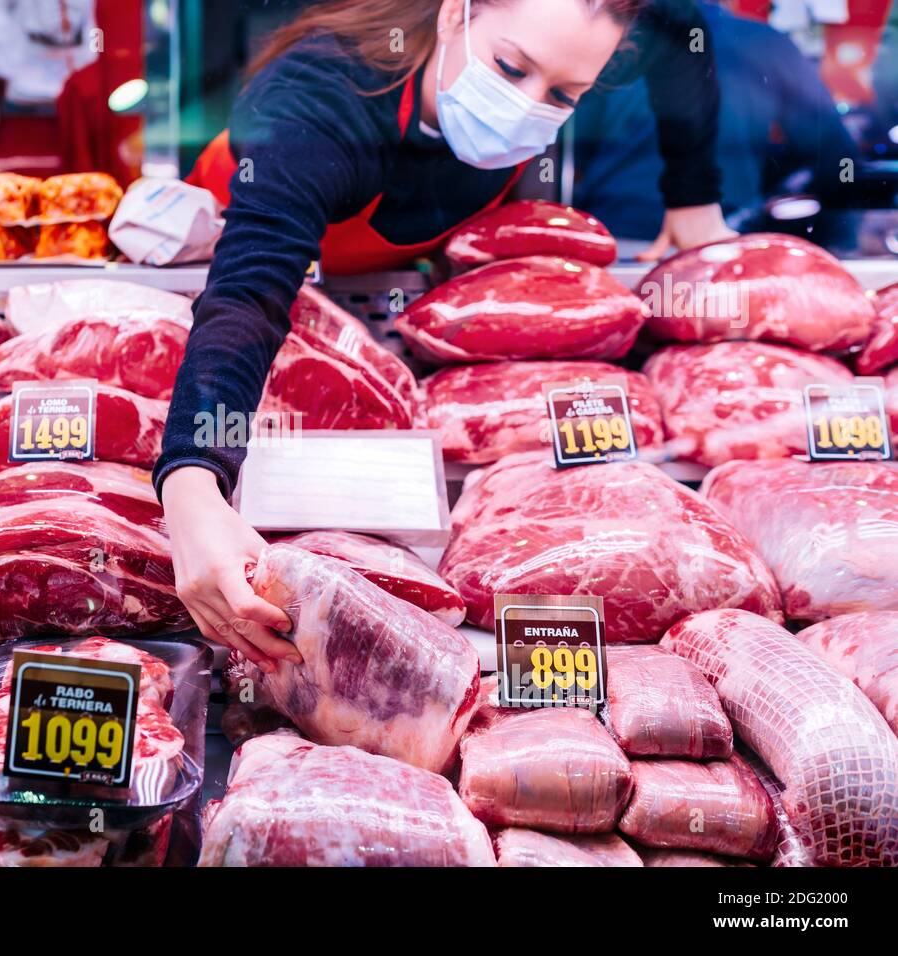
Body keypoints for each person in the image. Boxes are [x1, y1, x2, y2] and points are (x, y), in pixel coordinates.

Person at [158, 0, 734, 668]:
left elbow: (682, 37)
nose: (526, 104)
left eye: (562, 95)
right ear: (456, 12)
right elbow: (249, 293)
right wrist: (193, 487)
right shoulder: (322, 92)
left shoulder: (627, 30)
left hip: (385, 321)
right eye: (511, 67)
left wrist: (695, 199)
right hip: (252, 296)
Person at [574, 0, 857, 239]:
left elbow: (577, 142)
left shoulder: (619, 40)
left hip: (613, 232)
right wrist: (841, 238)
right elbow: (834, 156)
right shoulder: (766, 44)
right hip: (716, 233)